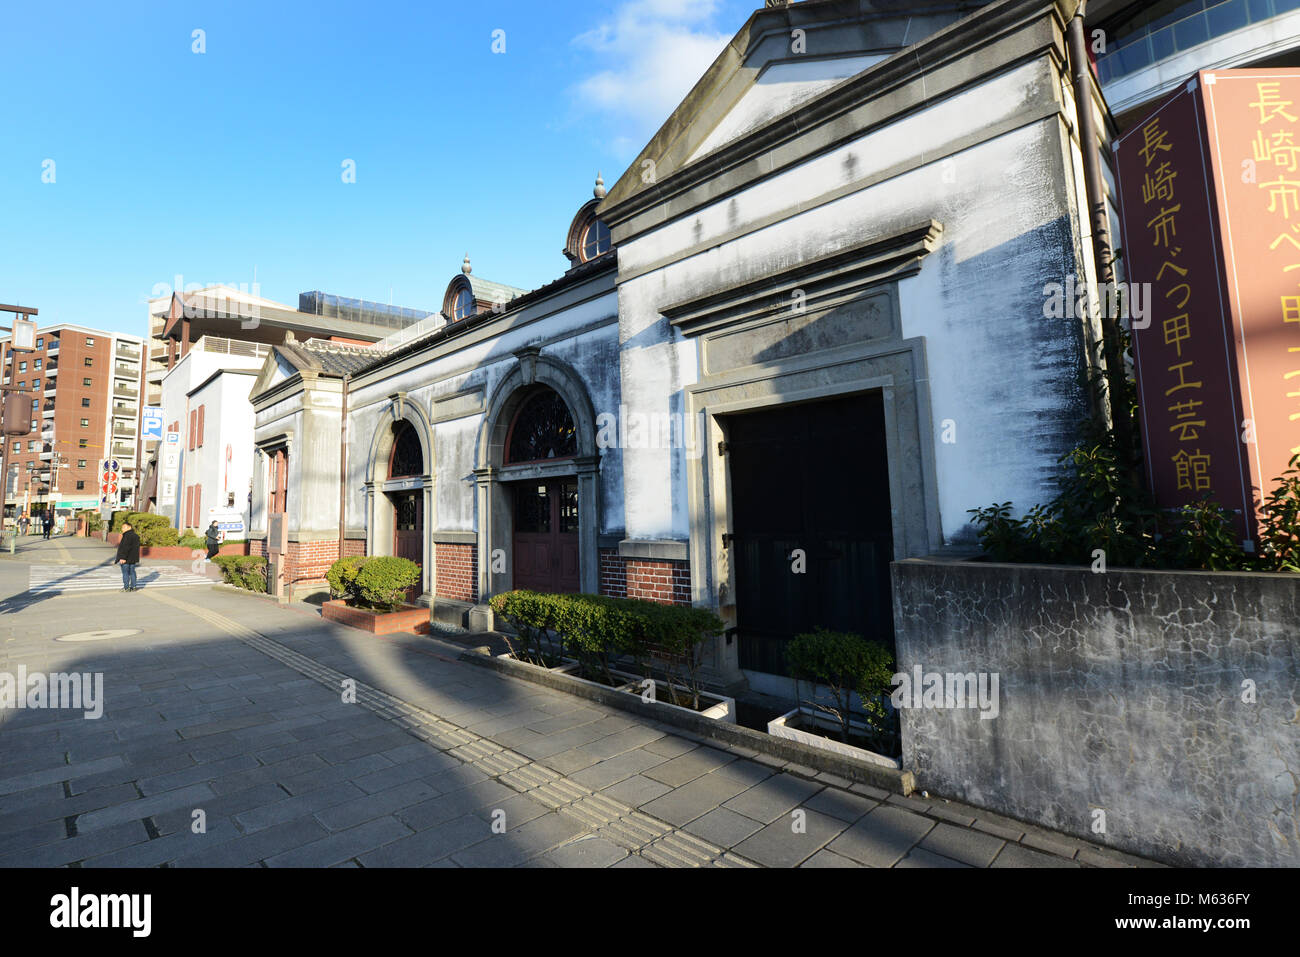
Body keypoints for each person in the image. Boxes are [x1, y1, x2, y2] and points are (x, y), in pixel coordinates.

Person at [115, 521, 141, 591]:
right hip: (133, 558)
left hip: (126, 558)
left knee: (125, 572)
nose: (122, 529)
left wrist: (123, 557)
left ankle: (126, 587)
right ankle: (134, 586)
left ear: (129, 527)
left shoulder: (127, 535)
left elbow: (125, 547)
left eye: (124, 527)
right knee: (132, 572)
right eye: (122, 527)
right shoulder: (136, 536)